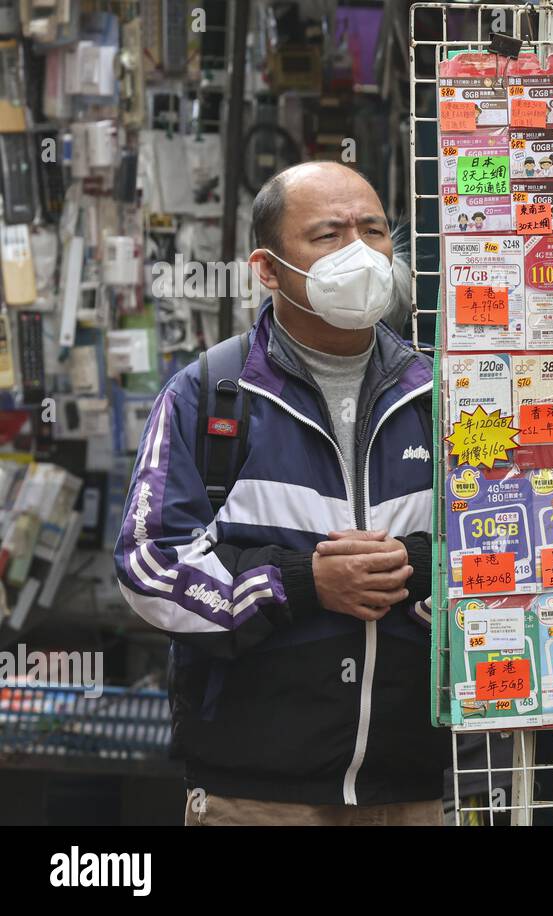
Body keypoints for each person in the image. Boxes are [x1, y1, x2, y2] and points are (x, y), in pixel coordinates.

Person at [114, 161, 448, 826]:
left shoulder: (445, 396)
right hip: (257, 795)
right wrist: (298, 582)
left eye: (375, 230)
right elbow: (149, 567)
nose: (360, 251)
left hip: (417, 785)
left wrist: (414, 567)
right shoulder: (209, 397)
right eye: (328, 236)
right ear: (267, 270)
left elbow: (510, 549)